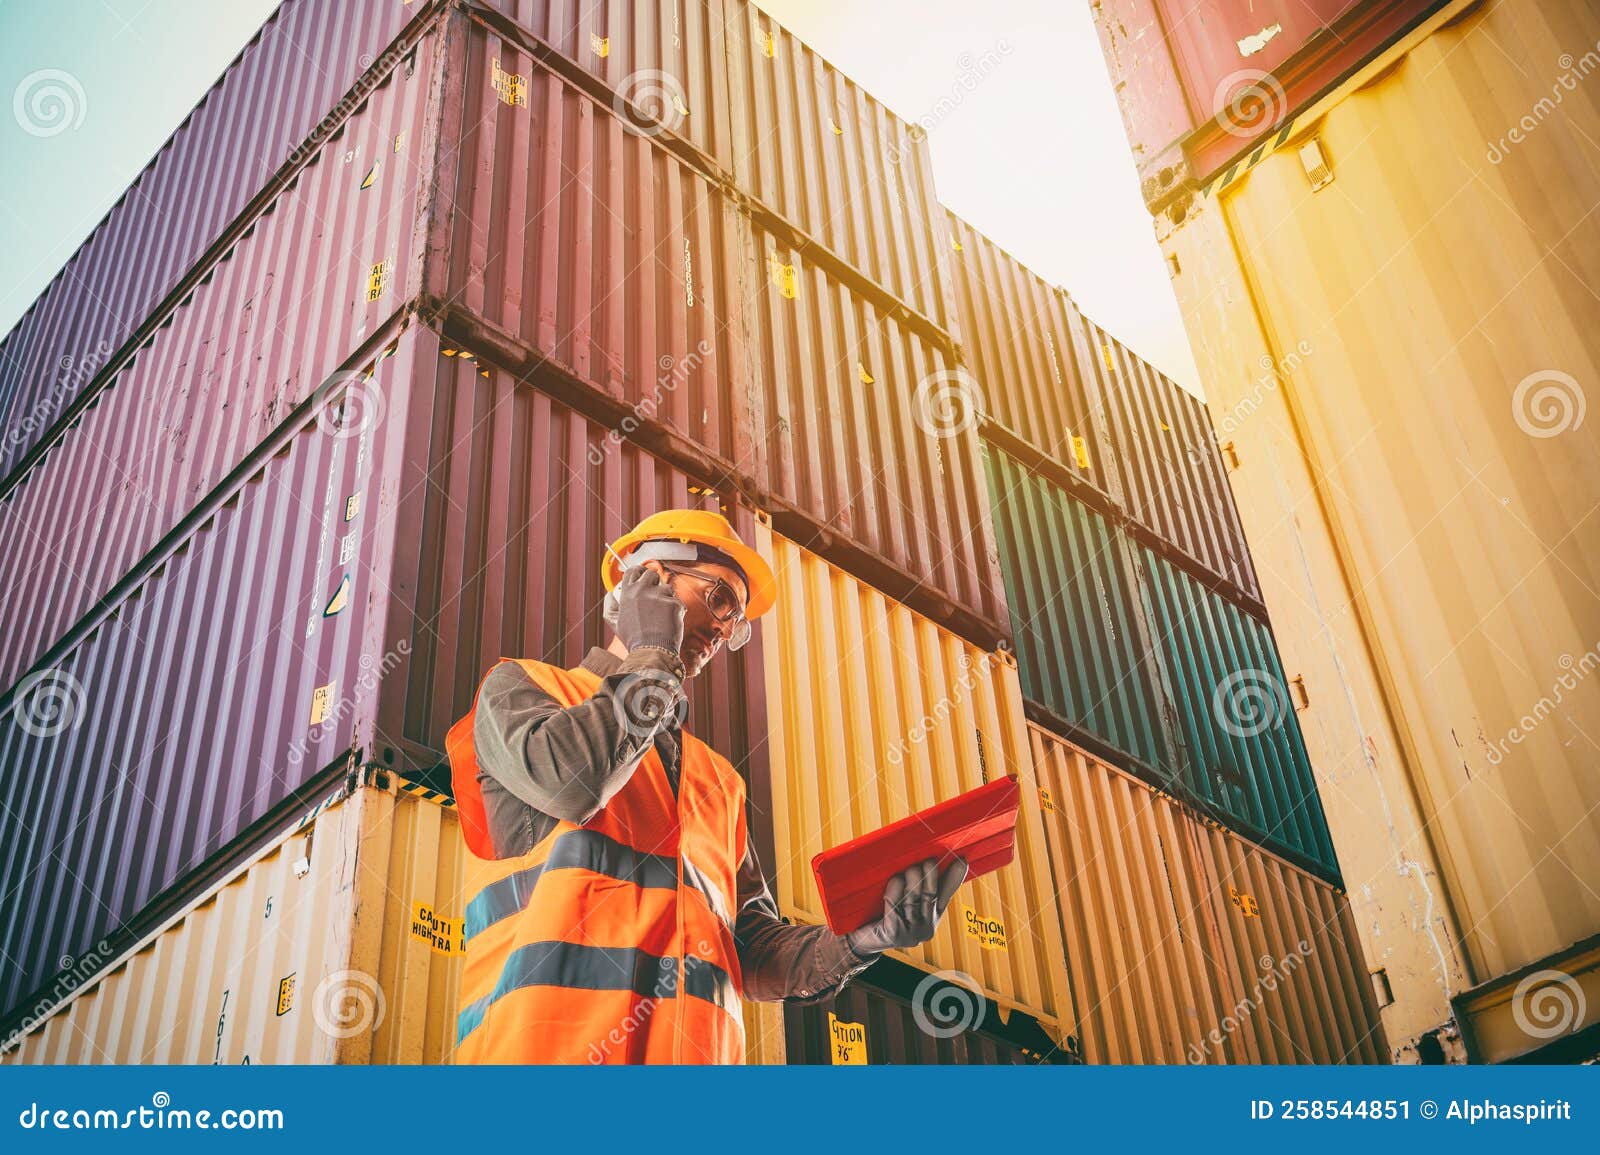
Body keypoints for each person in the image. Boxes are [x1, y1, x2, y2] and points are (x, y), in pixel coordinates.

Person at [446, 509, 966, 1064]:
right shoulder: (523, 689)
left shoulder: (719, 782)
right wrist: (652, 658)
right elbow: (575, 783)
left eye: (736, 621)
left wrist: (864, 937)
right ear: (644, 580)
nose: (723, 630)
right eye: (719, 598)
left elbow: (752, 951)